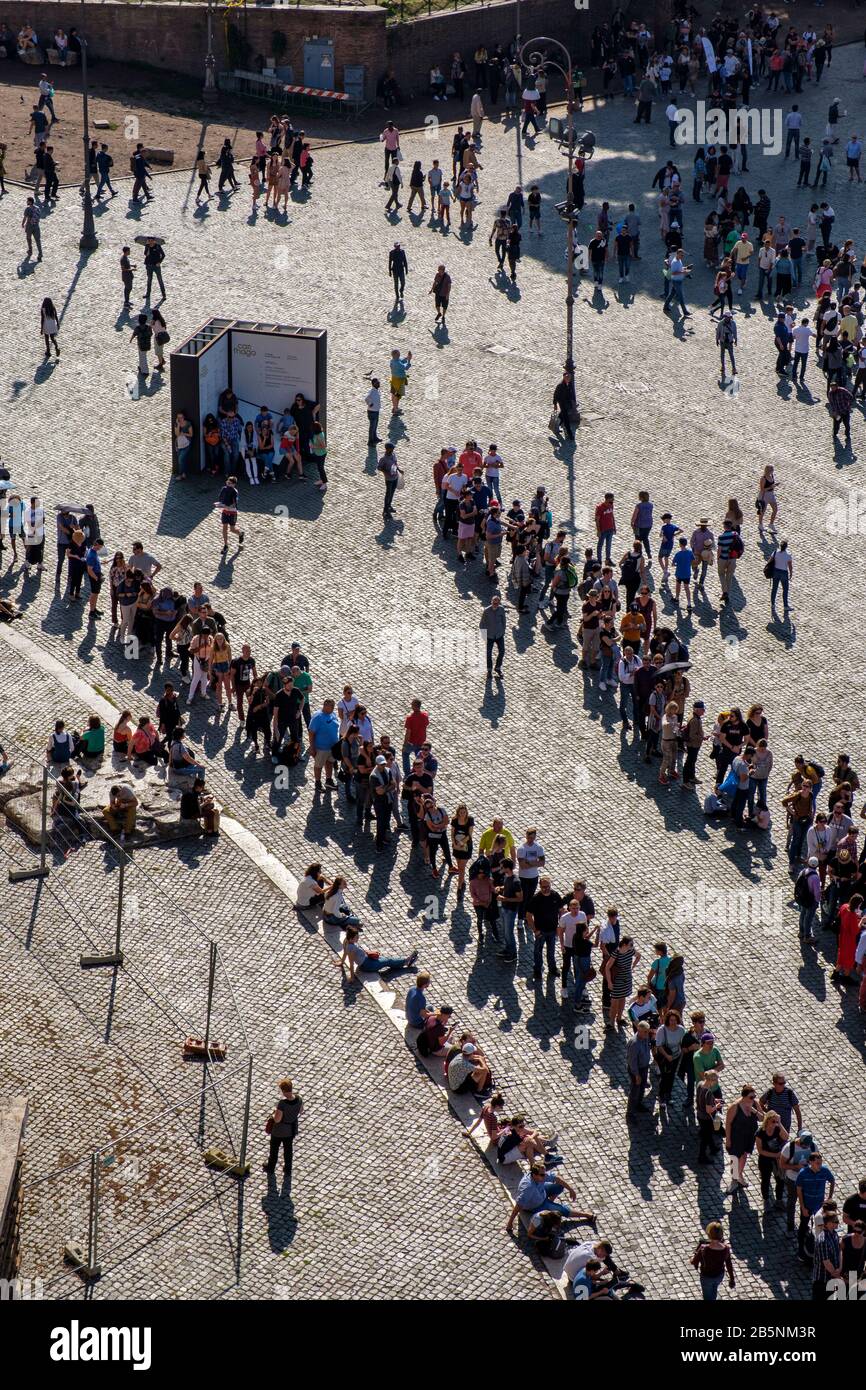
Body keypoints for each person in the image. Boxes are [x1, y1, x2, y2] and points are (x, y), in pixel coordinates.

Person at [263, 1078, 303, 1189]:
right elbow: (301, 1111)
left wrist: (273, 1113)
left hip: (279, 1131)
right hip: (291, 1130)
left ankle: (270, 1167)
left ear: (284, 1091)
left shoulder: (282, 1104)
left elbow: (277, 1119)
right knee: (288, 1150)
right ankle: (288, 1169)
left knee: (274, 1149)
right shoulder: (299, 1099)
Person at [691, 1222, 735, 1301]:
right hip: (719, 1275)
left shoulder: (703, 1248)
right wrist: (732, 1279)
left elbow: (694, 1262)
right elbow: (729, 1264)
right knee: (714, 1289)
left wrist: (694, 1254)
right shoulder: (726, 1249)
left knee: (707, 1297)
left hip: (706, 1277)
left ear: (709, 1235)